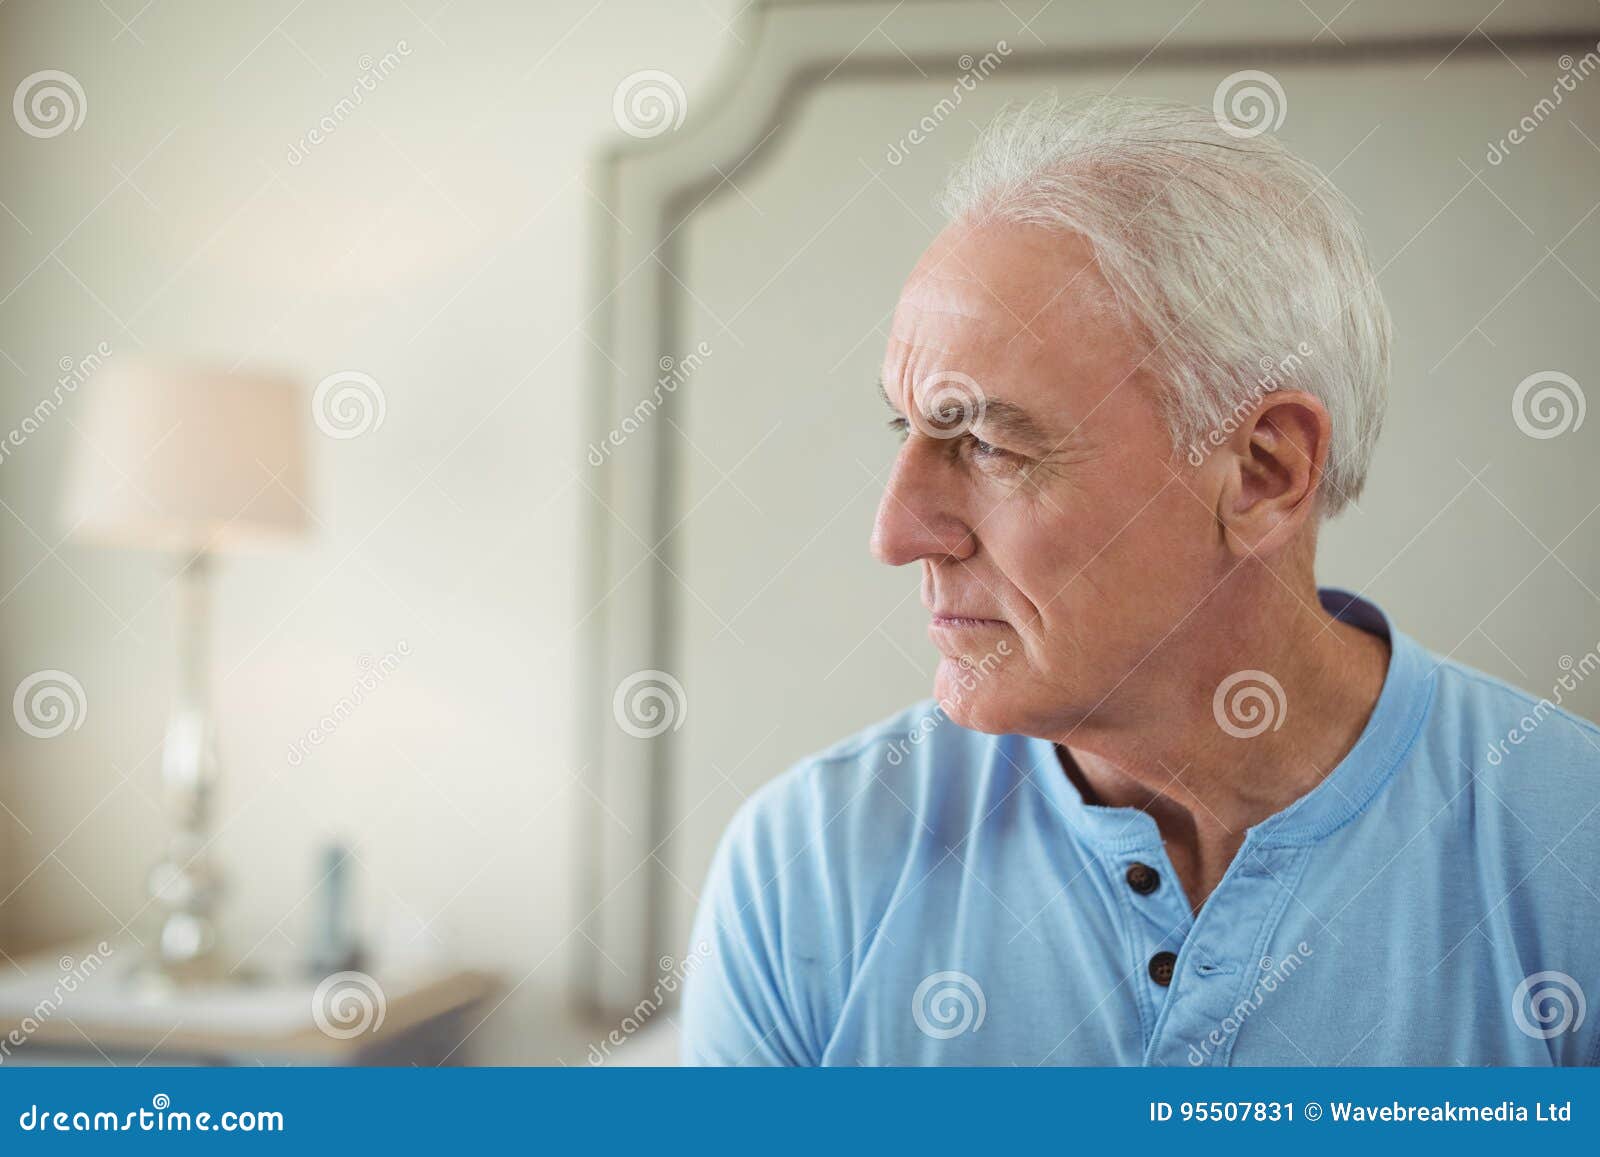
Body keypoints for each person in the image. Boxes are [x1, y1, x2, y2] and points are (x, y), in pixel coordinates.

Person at [682, 94, 1600, 1066]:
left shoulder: (1567, 849)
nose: (896, 532)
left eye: (986, 442)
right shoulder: (806, 867)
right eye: (906, 430)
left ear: (1263, 473)